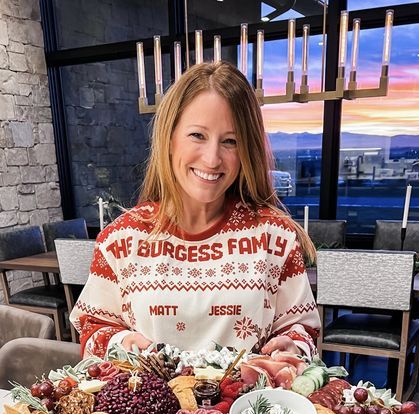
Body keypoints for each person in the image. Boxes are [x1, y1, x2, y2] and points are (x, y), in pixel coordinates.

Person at [70, 61, 320, 360]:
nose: (213, 159)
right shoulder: (120, 239)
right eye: (198, 135)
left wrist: (293, 346)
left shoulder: (275, 237)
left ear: (246, 152)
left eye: (230, 141)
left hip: (249, 404)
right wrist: (121, 342)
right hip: (154, 403)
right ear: (170, 139)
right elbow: (93, 328)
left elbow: (302, 331)